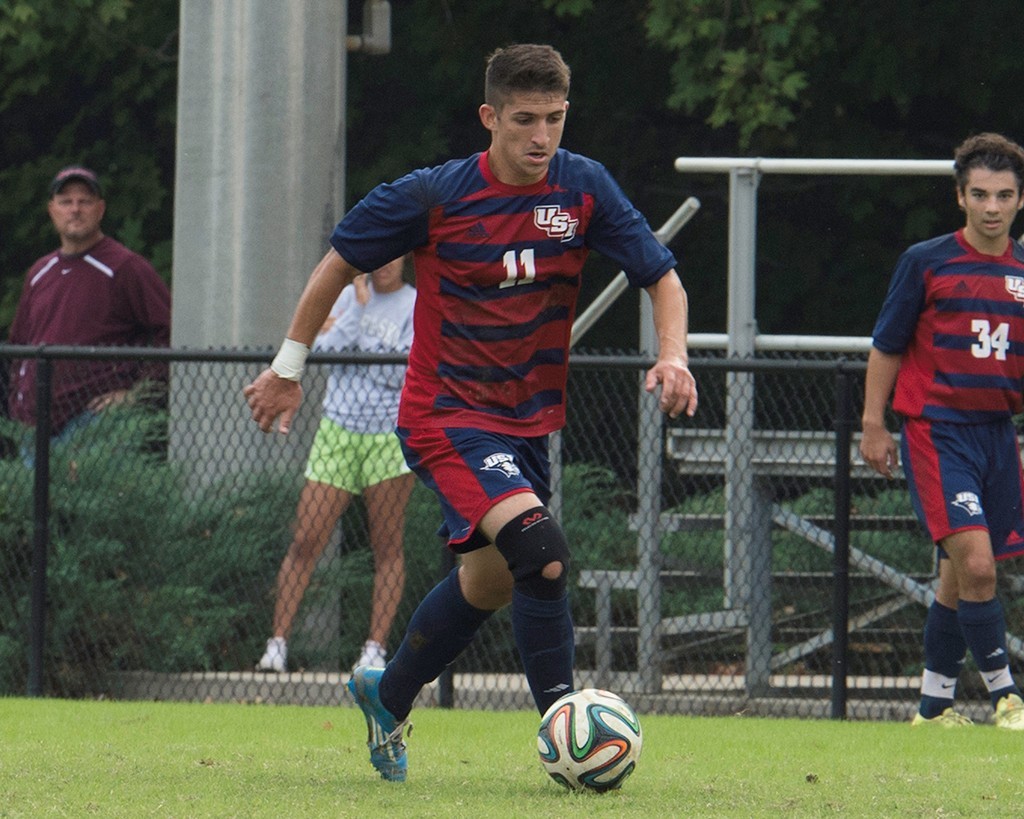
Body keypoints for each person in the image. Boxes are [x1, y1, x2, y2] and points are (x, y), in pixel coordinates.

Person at [244, 43, 698, 781]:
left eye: (554, 118)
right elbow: (339, 263)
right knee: (542, 551)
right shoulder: (433, 195)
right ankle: (566, 734)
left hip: (527, 422)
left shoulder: (583, 189)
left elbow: (662, 277)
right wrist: (288, 369)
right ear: (490, 116)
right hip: (444, 414)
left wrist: (673, 356)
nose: (542, 137)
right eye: (524, 120)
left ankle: (387, 695)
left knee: (491, 582)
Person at [860, 132, 1024, 730]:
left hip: (998, 436)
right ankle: (1008, 698)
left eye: (1003, 195)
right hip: (937, 431)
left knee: (958, 577)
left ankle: (933, 709)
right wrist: (873, 424)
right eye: (979, 194)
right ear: (960, 197)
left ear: (1020, 200)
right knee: (978, 566)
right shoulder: (926, 262)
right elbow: (887, 346)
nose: (991, 207)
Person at [256, 256, 416, 673]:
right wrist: (359, 309)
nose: (385, 264)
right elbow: (325, 352)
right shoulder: (346, 297)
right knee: (305, 540)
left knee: (387, 545)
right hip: (337, 431)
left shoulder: (415, 304)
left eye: (394, 256)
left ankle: (375, 650)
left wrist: (360, 353)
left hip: (387, 437)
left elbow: (403, 375)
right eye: (380, 257)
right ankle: (276, 646)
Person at [7, 165, 171, 449]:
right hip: (33, 428)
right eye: (66, 202)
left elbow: (169, 330)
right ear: (51, 210)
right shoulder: (39, 272)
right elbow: (18, 345)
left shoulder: (124, 267)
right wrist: (17, 400)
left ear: (100, 209)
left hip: (93, 424)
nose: (75, 210)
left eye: (84, 201)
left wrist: (138, 394)